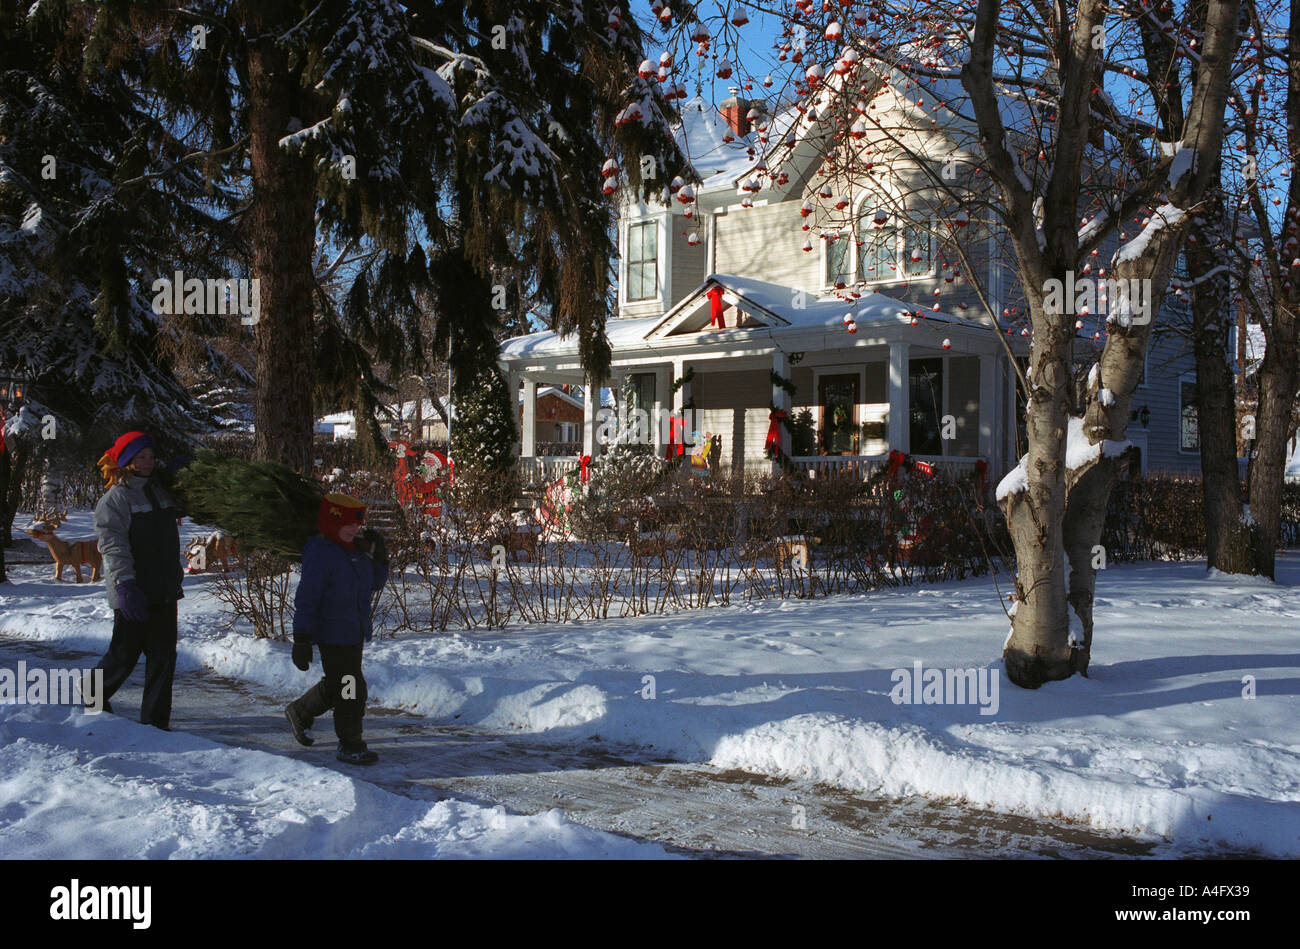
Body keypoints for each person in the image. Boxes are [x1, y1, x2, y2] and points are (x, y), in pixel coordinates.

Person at [285, 493, 389, 765]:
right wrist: (302, 638)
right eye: (347, 524)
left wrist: (380, 558)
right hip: (332, 633)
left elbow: (372, 585)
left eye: (357, 524)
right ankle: (350, 743)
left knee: (339, 684)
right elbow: (307, 598)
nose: (354, 529)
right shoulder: (321, 555)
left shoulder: (355, 553)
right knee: (351, 686)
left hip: (354, 632)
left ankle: (300, 711)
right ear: (331, 522)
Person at [92, 431, 184, 730]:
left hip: (164, 588)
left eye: (151, 456)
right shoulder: (115, 498)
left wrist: (188, 476)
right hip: (133, 589)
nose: (148, 462)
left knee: (163, 658)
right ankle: (90, 694)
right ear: (127, 461)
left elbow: (187, 507)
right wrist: (124, 585)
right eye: (141, 457)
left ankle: (155, 724)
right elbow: (112, 545)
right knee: (124, 655)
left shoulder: (160, 491)